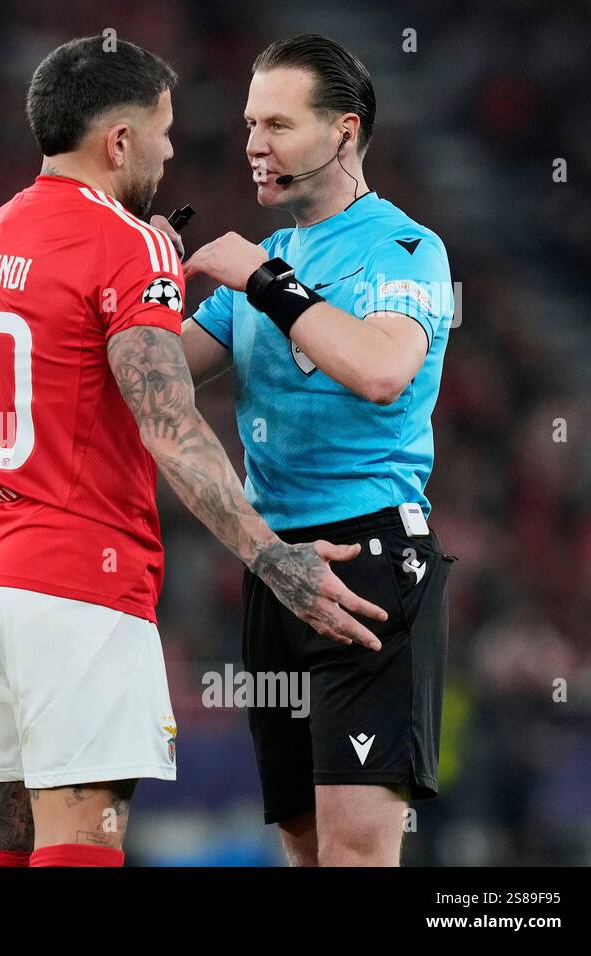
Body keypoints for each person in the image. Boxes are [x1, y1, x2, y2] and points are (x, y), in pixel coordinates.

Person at [0, 36, 386, 868]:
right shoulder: (128, 244)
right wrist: (271, 557)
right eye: (165, 132)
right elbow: (170, 425)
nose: (172, 150)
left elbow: (71, 360)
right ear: (119, 141)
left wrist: (141, 283)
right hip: (78, 580)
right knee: (83, 836)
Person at [180, 34, 456, 866]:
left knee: (356, 858)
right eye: (249, 124)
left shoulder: (405, 248)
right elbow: (162, 376)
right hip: (275, 565)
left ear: (344, 131)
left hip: (372, 562)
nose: (254, 145)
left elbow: (382, 370)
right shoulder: (276, 257)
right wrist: (135, 274)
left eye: (278, 124)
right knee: (304, 858)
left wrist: (264, 282)